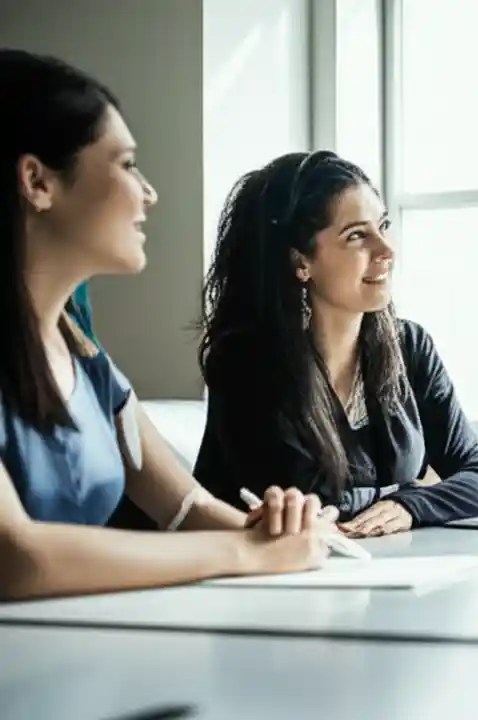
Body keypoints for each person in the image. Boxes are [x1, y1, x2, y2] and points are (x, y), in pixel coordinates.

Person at [0, 50, 332, 600]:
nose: (149, 193)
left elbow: (186, 509)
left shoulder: (87, 362)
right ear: (37, 181)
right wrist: (245, 553)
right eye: (128, 165)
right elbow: (16, 558)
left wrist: (284, 531)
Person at [194, 151, 478, 537]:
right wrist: (408, 488)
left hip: (379, 569)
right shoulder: (247, 363)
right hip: (267, 583)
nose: (386, 251)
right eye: (357, 236)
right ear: (301, 262)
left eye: (383, 226)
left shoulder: (411, 346)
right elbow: (301, 502)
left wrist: (409, 503)